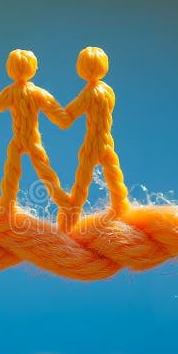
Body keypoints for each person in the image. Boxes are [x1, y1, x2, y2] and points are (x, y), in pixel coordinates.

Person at [0, 49, 72, 217]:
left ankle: (6, 210)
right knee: (45, 175)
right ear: (33, 68)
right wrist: (70, 115)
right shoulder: (37, 93)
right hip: (31, 140)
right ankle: (65, 205)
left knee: (11, 175)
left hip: (19, 141)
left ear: (10, 68)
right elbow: (61, 118)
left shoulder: (10, 92)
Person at [62, 47, 129, 229]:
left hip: (93, 144)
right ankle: (123, 212)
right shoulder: (108, 91)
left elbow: (69, 115)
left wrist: (52, 109)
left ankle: (68, 223)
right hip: (106, 142)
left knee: (81, 186)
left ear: (81, 69)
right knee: (115, 181)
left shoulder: (89, 94)